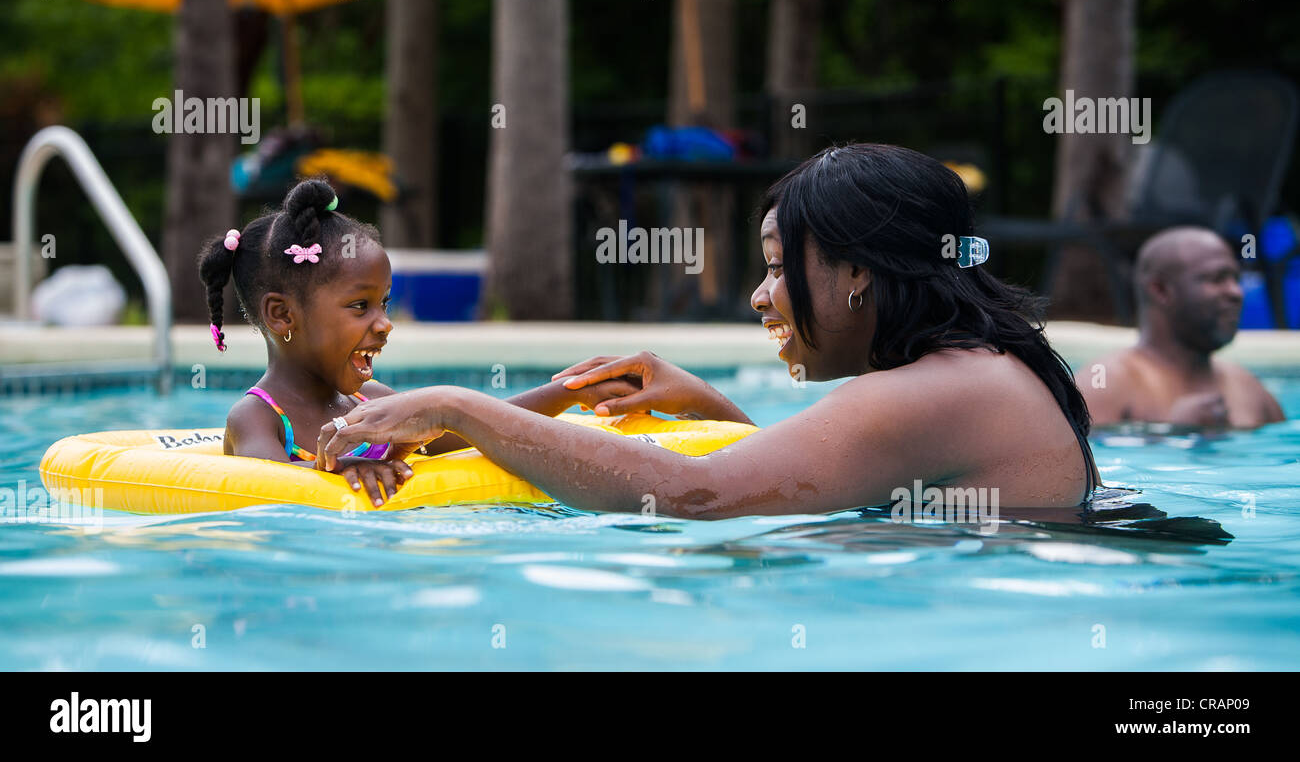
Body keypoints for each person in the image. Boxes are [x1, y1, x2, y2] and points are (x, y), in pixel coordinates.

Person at [312, 144, 1102, 518]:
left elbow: (694, 497)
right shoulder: (975, 371)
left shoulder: (944, 389)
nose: (760, 299)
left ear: (859, 272)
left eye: (775, 267)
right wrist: (716, 410)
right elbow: (819, 485)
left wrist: (457, 406)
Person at [197, 178, 637, 506]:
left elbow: (473, 428)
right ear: (282, 315)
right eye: (359, 306)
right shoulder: (257, 419)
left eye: (384, 304)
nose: (385, 324)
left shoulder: (369, 401)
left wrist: (570, 391)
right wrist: (342, 467)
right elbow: (271, 491)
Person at [1075, 226, 1284, 429]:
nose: (1236, 292)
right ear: (1161, 290)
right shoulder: (1103, 385)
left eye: (1235, 279)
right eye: (1217, 279)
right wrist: (1170, 433)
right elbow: (1073, 460)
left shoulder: (1248, 389)